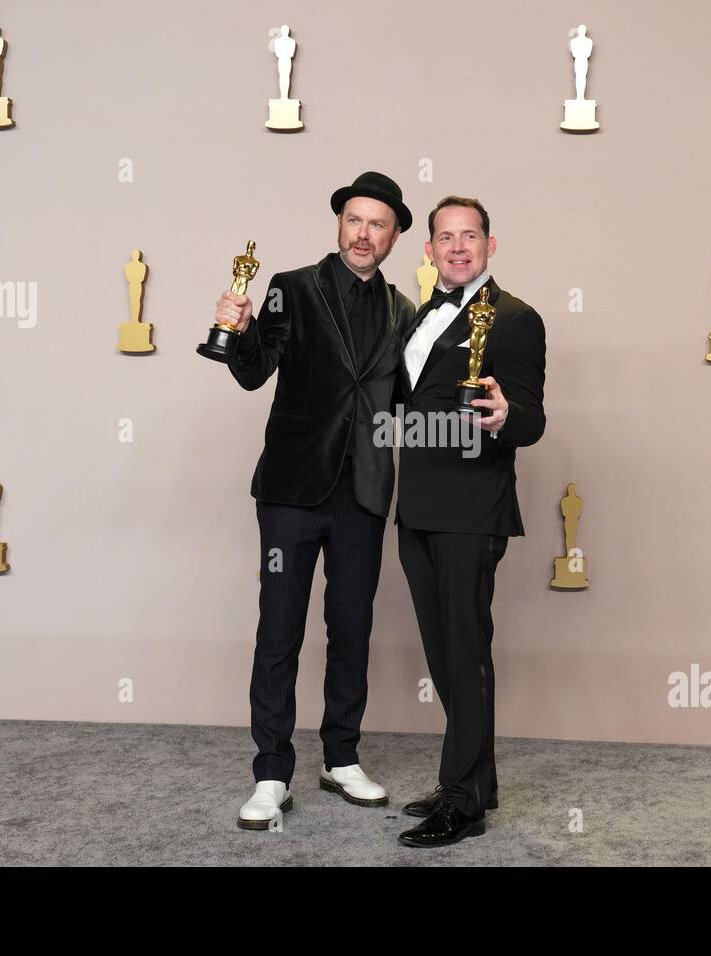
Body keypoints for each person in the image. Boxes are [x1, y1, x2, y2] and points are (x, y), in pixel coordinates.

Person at [206, 172, 417, 830]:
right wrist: (236, 331)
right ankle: (271, 773)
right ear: (339, 225)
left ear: (394, 236)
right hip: (293, 492)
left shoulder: (405, 312)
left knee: (352, 630)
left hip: (363, 492)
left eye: (377, 224)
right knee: (280, 632)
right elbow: (251, 372)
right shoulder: (289, 290)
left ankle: (341, 757)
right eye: (354, 219)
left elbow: (408, 406)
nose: (364, 233)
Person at [393, 196, 546, 847]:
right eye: (445, 238)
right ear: (428, 250)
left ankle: (464, 801)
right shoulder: (424, 315)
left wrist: (508, 415)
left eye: (470, 236)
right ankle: (473, 780)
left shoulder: (515, 319)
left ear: (490, 244)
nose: (457, 247)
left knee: (466, 651)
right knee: (443, 653)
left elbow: (533, 419)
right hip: (417, 507)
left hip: (471, 510)